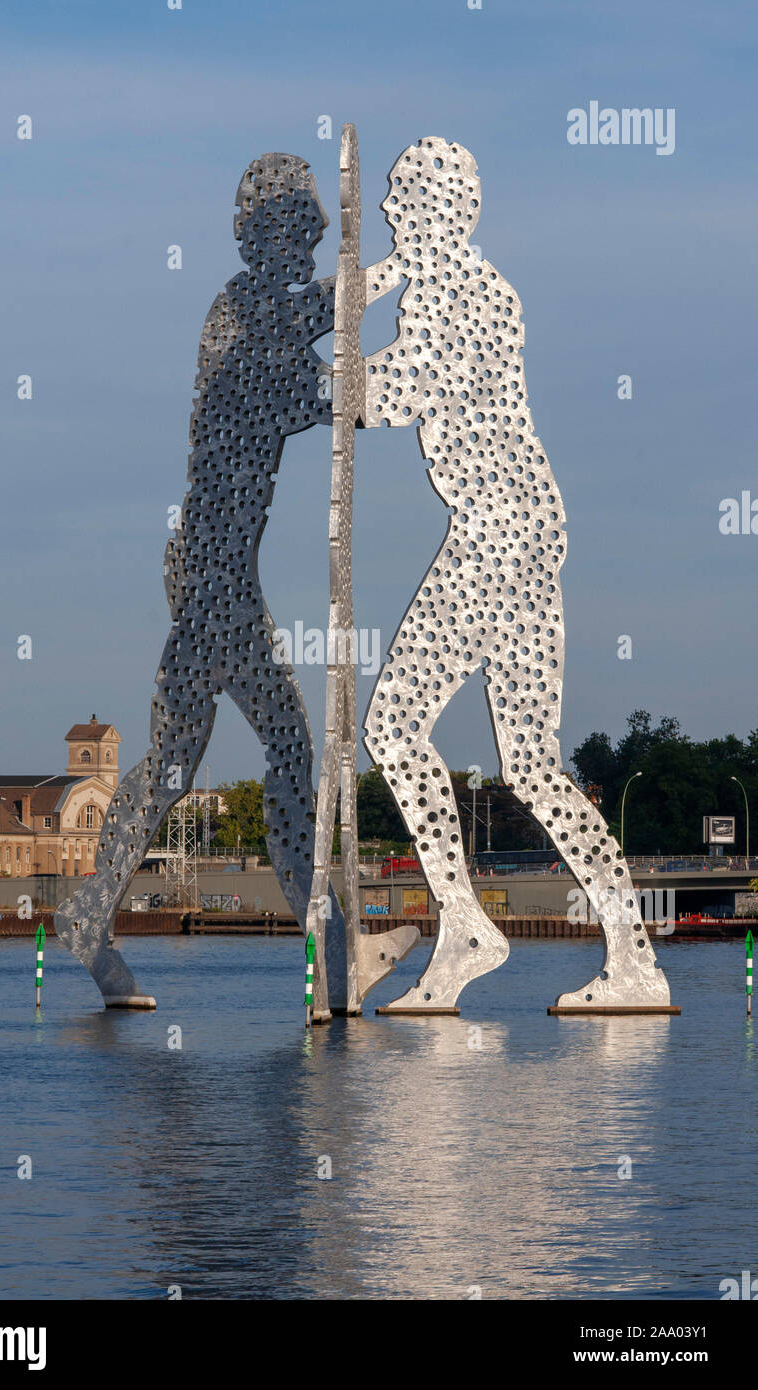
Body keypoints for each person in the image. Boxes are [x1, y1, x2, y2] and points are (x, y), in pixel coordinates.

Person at [361, 137, 670, 1011]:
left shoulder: (467, 293)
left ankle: (464, 925)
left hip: (497, 533)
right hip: (519, 528)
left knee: (391, 728)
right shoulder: (452, 282)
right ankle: (630, 957)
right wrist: (370, 281)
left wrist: (299, 382)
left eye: (399, 199)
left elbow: (390, 395)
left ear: (439, 210)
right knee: (529, 766)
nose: (386, 211)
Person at [55, 154, 344, 1003]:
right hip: (214, 573)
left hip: (214, 568)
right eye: (304, 224)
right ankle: (328, 945)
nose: (318, 238)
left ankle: (88, 917)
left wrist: (367, 290)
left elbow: (311, 339)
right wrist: (375, 300)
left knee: (175, 765)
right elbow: (289, 391)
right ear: (263, 234)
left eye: (319, 226)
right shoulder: (242, 310)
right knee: (288, 747)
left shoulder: (257, 310)